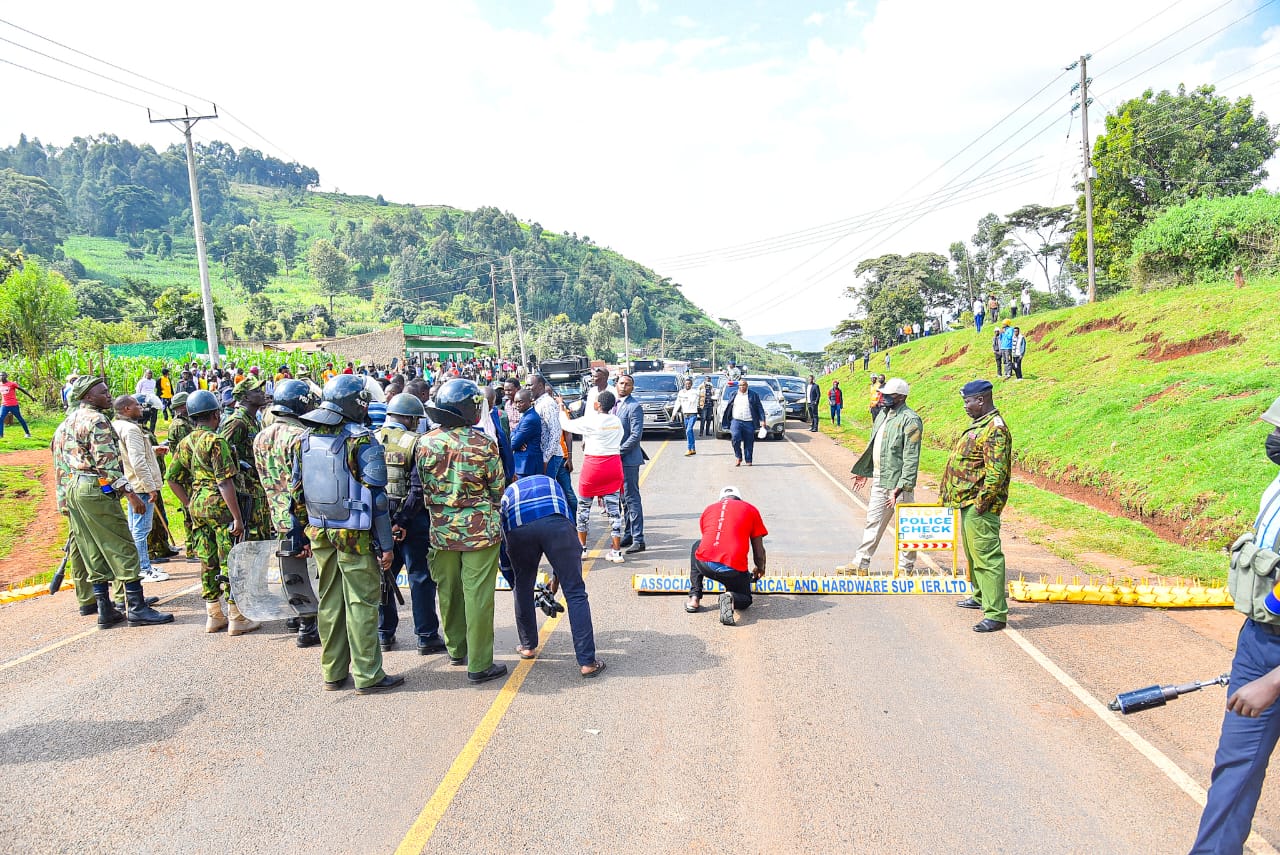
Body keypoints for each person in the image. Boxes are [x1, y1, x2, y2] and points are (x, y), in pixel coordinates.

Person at [1189, 396, 1280, 853]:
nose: (1274, 439)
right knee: (1235, 769)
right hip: (1261, 642)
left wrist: (1274, 681)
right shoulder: (1275, 488)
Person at [298, 375, 402, 694]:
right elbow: (378, 499)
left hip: (320, 530)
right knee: (361, 603)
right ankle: (368, 674)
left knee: (329, 601)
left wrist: (301, 531)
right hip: (355, 535)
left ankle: (333, 671)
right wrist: (386, 545)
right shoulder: (362, 440)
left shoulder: (305, 437)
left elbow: (296, 491)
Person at [56, 376, 173, 628]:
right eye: (103, 392)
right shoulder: (97, 420)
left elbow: (60, 463)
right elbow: (107, 464)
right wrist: (130, 494)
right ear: (88, 396)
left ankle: (105, 608)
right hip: (95, 487)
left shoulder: (67, 422)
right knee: (123, 545)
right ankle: (136, 608)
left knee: (93, 549)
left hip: (74, 487)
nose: (108, 396)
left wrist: (64, 500)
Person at [418, 378, 508, 685]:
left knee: (449, 591)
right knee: (478, 595)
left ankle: (456, 649)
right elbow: (497, 488)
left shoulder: (425, 443)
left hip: (441, 530)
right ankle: (479, 664)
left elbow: (422, 485)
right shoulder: (483, 444)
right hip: (479, 531)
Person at [166, 390, 259, 635]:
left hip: (198, 504)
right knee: (230, 558)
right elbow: (224, 482)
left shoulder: (186, 442)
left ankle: (214, 614)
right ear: (216, 415)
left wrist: (189, 503)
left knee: (207, 559)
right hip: (220, 505)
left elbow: (172, 478)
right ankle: (237, 616)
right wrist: (237, 517)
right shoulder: (216, 442)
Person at [500, 474, 605, 676]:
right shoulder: (552, 483)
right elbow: (569, 526)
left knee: (522, 587)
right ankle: (587, 663)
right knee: (575, 593)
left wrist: (514, 582)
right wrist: (557, 580)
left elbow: (503, 548)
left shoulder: (508, 494)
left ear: (513, 478)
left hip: (520, 531)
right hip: (557, 526)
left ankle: (528, 646)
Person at [372, 392, 448, 656]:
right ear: (408, 418)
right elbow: (418, 489)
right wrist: (402, 521)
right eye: (415, 419)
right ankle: (426, 636)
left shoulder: (371, 438)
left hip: (379, 521)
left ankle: (384, 633)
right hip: (412, 522)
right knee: (420, 578)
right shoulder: (415, 443)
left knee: (384, 576)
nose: (417, 423)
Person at [252, 379, 322, 648]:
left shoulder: (261, 437)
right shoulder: (301, 437)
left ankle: (297, 616)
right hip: (304, 515)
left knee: (290, 568)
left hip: (278, 514)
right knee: (313, 571)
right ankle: (309, 624)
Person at [941, 380, 1013, 633]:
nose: (965, 406)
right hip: (967, 501)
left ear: (980, 400)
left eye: (967, 401)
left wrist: (981, 504)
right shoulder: (981, 424)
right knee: (973, 556)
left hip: (979, 505)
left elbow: (997, 473)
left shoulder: (995, 429)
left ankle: (995, 614)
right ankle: (980, 595)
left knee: (987, 557)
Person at [838, 378, 922, 575]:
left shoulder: (911, 420)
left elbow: (912, 457)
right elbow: (874, 446)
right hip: (879, 478)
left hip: (898, 483)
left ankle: (905, 568)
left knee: (905, 526)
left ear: (900, 396)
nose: (882, 397)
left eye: (887, 395)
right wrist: (864, 472)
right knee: (873, 521)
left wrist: (902, 486)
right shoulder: (882, 415)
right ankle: (860, 564)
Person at [685, 486, 768, 627]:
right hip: (733, 570)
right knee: (746, 599)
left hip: (705, 565)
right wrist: (760, 568)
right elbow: (759, 551)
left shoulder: (709, 509)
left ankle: (694, 598)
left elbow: (708, 539)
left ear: (721, 499)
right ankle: (730, 597)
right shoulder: (750, 509)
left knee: (697, 546)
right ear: (739, 499)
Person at [559, 388, 625, 562]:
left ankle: (582, 549)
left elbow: (566, 425)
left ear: (597, 405)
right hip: (613, 466)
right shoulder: (616, 421)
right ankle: (616, 551)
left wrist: (561, 408)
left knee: (583, 510)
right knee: (614, 512)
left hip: (593, 468)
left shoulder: (590, 420)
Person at [111, 396, 170, 584]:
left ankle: (140, 564)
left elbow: (129, 453)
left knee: (134, 526)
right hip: (140, 485)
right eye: (136, 405)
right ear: (127, 409)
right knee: (141, 529)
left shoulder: (117, 426)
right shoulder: (131, 429)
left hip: (131, 483)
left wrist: (152, 450)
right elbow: (137, 461)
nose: (141, 407)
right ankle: (143, 568)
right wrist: (150, 487)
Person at [218, 375, 272, 541]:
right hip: (245, 491)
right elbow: (220, 454)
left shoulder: (252, 420)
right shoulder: (237, 422)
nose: (262, 393)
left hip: (256, 488)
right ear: (246, 397)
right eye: (257, 391)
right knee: (251, 540)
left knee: (262, 537)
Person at [615, 374, 647, 553]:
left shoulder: (634, 407)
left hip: (628, 459)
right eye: (621, 383)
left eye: (627, 384)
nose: (623, 386)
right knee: (623, 499)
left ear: (632, 388)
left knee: (632, 498)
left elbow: (636, 435)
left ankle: (638, 539)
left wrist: (618, 452)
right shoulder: (614, 405)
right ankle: (628, 533)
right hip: (616, 460)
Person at [719, 378, 765, 467]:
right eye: (740, 385)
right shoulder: (734, 394)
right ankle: (738, 456)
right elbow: (729, 407)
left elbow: (759, 408)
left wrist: (762, 420)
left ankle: (748, 459)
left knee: (749, 441)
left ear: (747, 386)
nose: (742, 387)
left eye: (743, 385)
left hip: (749, 421)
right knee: (735, 438)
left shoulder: (753, 395)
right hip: (736, 420)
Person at [509, 389, 544, 478]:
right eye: (515, 402)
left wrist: (516, 441)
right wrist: (515, 438)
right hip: (524, 464)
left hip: (527, 466)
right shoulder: (526, 415)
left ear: (530, 401)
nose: (517, 405)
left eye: (520, 402)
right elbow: (513, 432)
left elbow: (513, 444)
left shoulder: (530, 418)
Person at [0, 371, 36, 438]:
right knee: (0, 418)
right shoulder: (0, 384)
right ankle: (1, 435)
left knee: (20, 418)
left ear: (6, 376)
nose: (1, 377)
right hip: (4, 405)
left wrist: (31, 397)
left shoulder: (12, 384)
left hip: (13, 405)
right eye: (0, 375)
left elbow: (22, 390)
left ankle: (27, 433)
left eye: (3, 375)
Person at [672, 375, 701, 456]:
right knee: (689, 432)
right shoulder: (681, 392)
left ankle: (689, 449)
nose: (687, 385)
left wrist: (686, 395)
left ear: (691, 384)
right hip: (685, 415)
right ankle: (693, 449)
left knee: (689, 430)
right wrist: (673, 414)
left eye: (689, 384)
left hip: (692, 414)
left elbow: (692, 400)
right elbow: (678, 403)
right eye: (686, 384)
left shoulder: (694, 392)